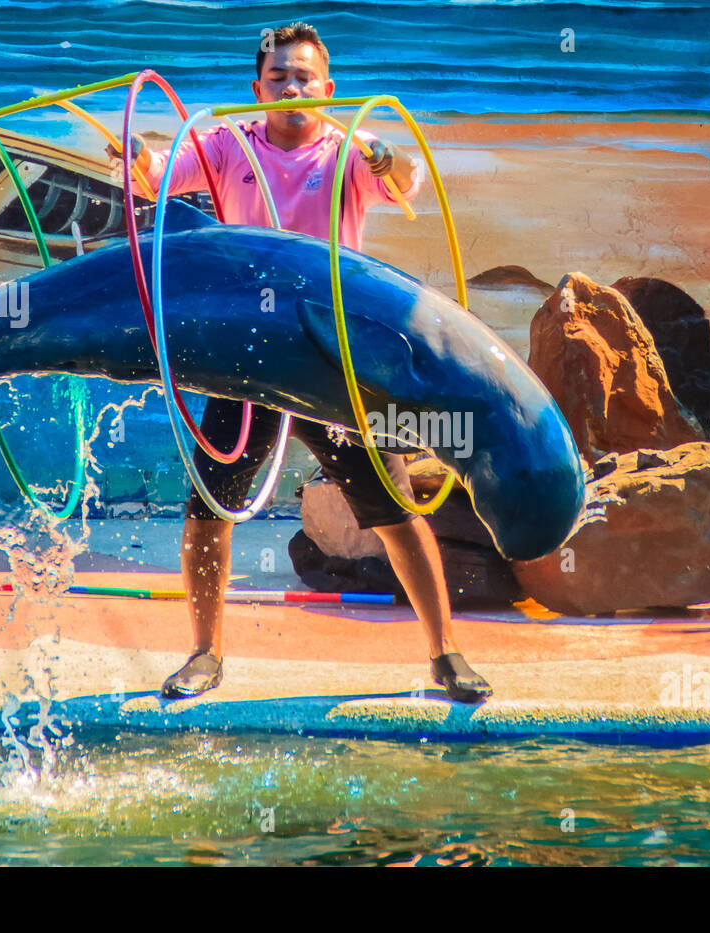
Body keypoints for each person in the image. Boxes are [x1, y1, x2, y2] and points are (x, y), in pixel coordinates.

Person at [109, 22, 493, 703]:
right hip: (252, 359)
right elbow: (158, 170)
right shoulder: (227, 145)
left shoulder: (350, 153)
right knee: (207, 511)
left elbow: (405, 181)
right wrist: (135, 154)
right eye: (279, 76)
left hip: (330, 360)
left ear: (328, 89)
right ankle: (205, 654)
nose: (292, 86)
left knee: (396, 510)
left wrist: (389, 160)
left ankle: (445, 653)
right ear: (258, 89)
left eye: (305, 77)